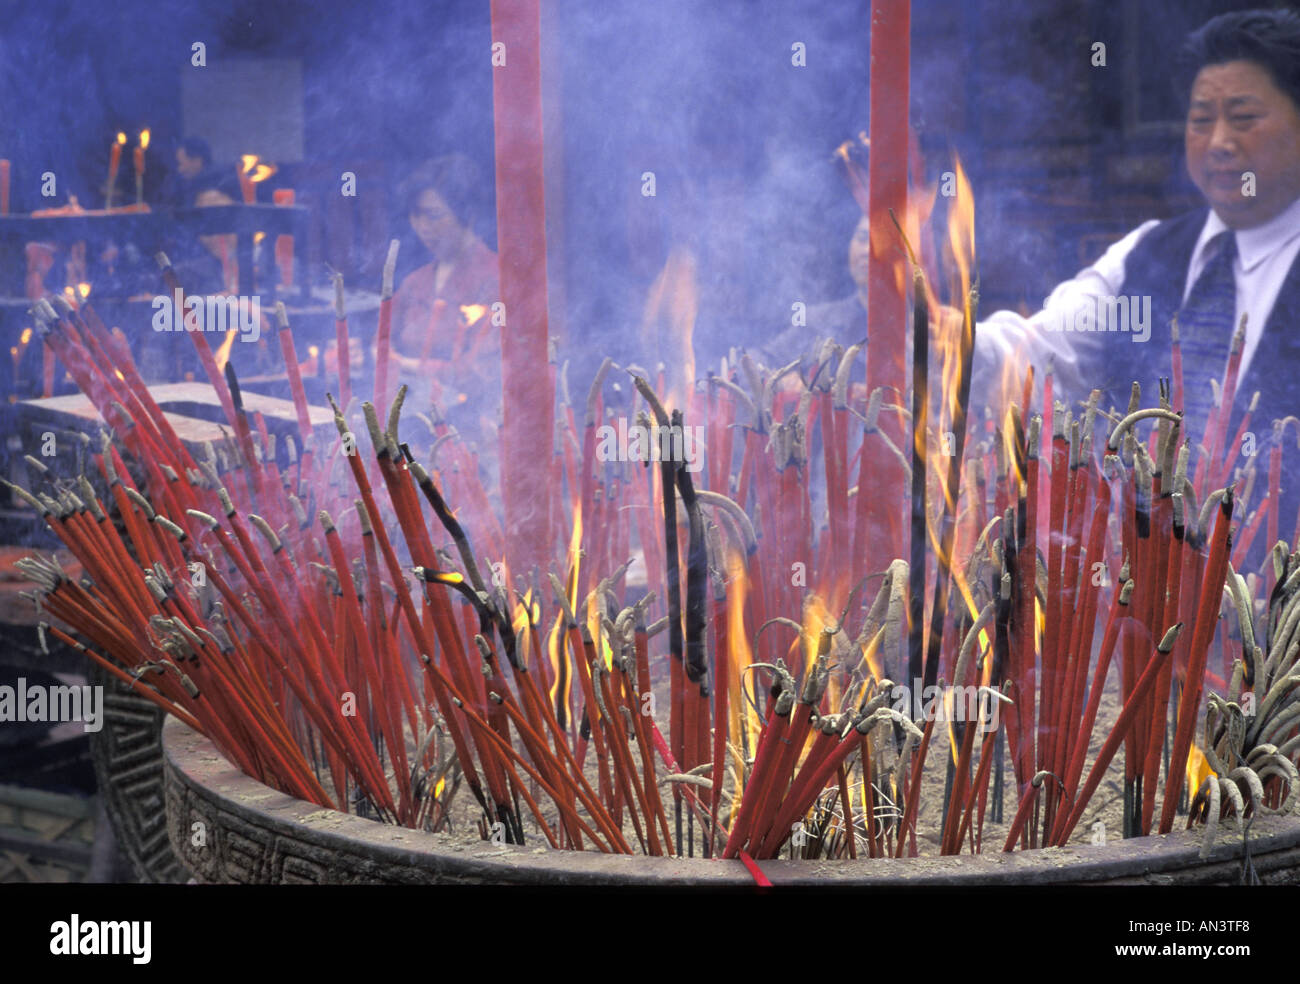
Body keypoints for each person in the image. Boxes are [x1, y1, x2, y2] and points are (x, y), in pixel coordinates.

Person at [979, 8, 1300, 450]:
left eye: (1243, 118)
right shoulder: (1147, 253)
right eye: (1202, 119)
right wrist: (942, 342)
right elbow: (1044, 352)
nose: (1220, 142)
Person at [384, 156, 500, 423]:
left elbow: (486, 369)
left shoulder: (496, 278)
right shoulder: (415, 282)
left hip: (473, 427)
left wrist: (409, 365)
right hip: (411, 422)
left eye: (434, 215)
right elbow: (382, 340)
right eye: (416, 215)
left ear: (467, 214)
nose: (423, 227)